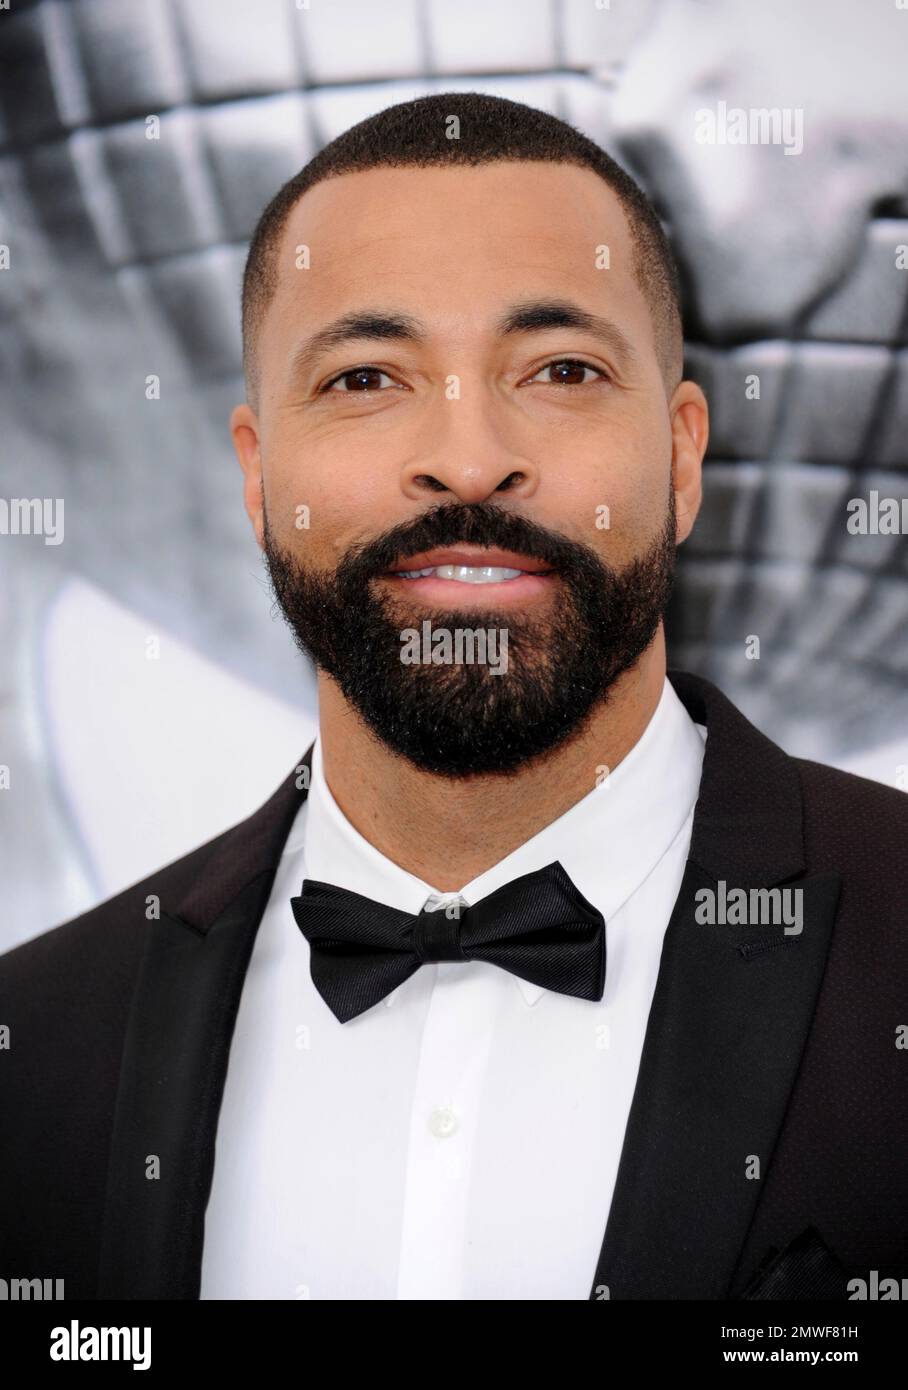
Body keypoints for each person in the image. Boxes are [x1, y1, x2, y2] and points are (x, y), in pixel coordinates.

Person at [1, 92, 905, 1302]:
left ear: (682, 458)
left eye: (561, 368)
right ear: (258, 478)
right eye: (368, 376)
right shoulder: (36, 1043)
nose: (469, 457)